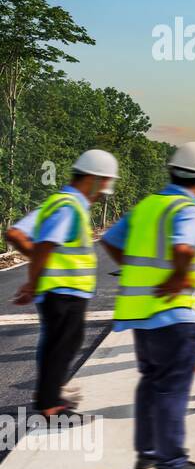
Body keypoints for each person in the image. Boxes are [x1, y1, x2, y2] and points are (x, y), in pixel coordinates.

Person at [101, 141, 195, 469]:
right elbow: (183, 247)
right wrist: (175, 277)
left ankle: (147, 455)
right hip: (175, 313)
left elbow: (110, 240)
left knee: (151, 382)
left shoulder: (148, 205)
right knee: (172, 388)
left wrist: (136, 271)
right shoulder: (190, 207)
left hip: (141, 314)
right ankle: (171, 465)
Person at [8, 149, 119, 422]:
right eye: (103, 185)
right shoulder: (70, 206)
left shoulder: (57, 202)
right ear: (92, 179)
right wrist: (33, 281)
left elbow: (15, 233)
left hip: (59, 291)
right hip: (63, 291)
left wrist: (38, 271)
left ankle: (48, 394)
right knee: (64, 344)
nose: (101, 193)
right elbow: (46, 245)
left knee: (58, 343)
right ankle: (51, 406)